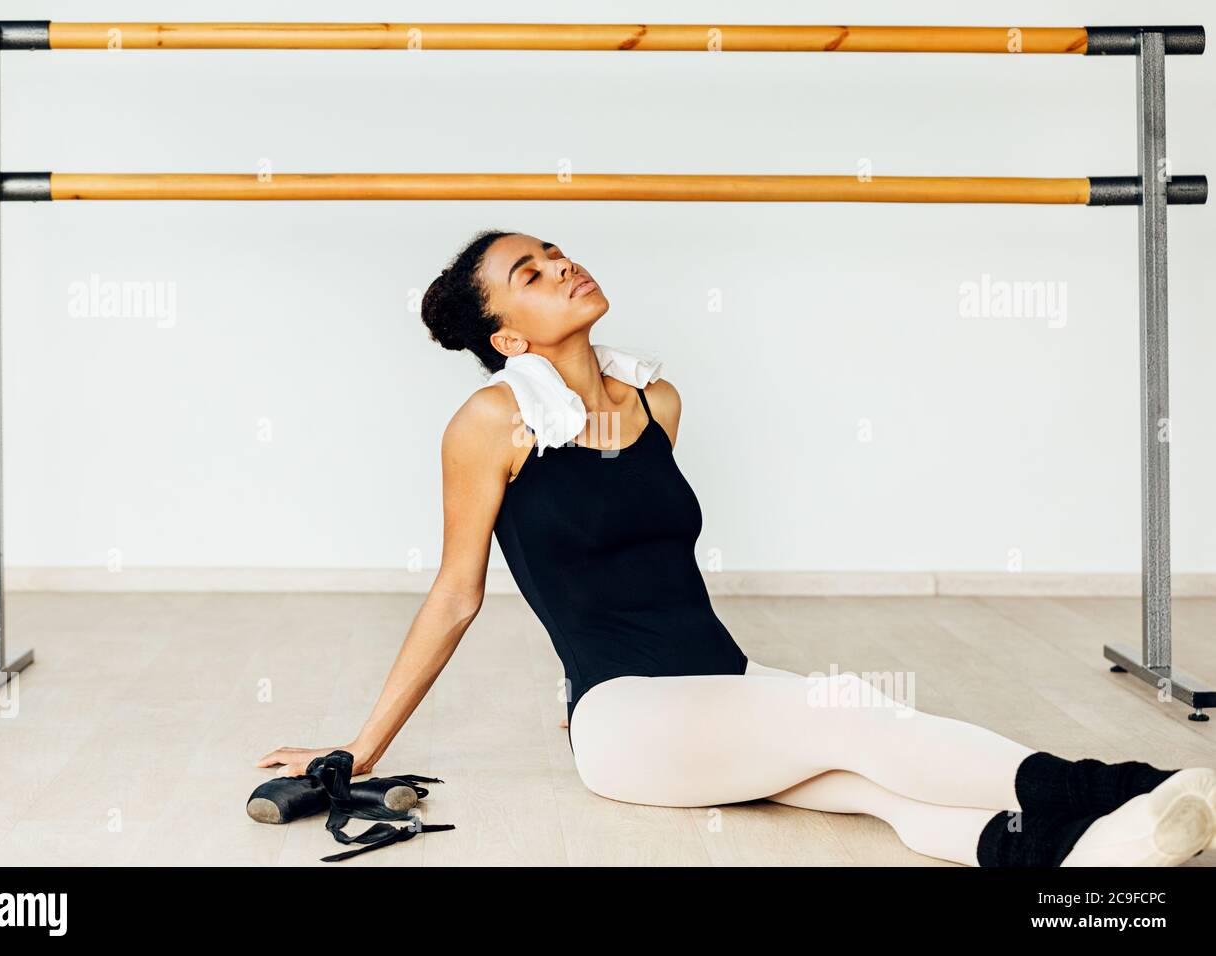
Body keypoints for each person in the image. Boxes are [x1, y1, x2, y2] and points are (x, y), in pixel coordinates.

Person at [258, 229, 1216, 866]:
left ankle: (1082, 854)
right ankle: (1136, 788)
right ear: (507, 337)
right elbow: (456, 593)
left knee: (867, 783)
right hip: (629, 719)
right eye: (532, 276)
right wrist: (360, 749)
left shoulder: (657, 403)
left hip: (725, 682)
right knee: (857, 715)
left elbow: (632, 556)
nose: (562, 267)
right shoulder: (490, 421)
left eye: (555, 252)